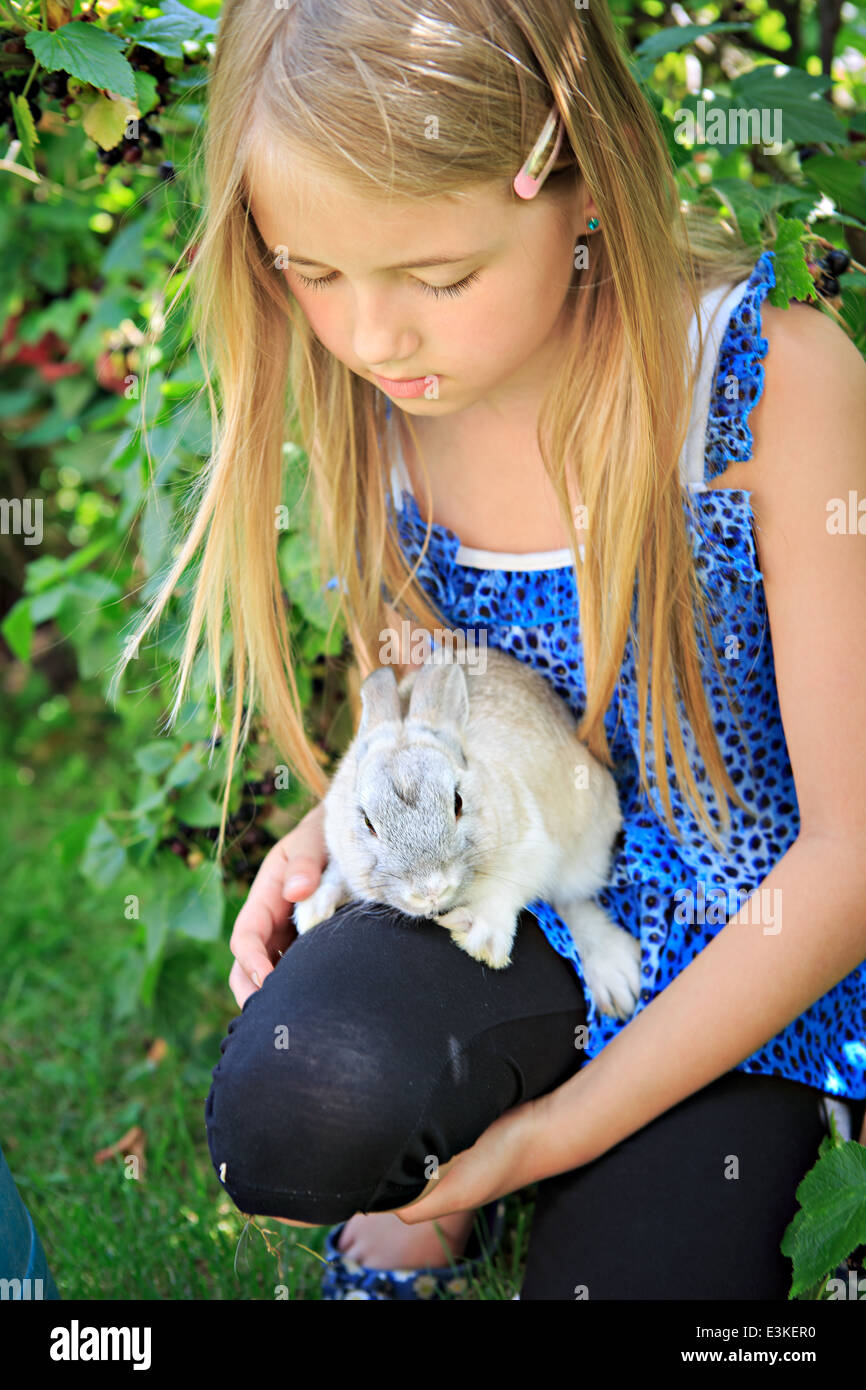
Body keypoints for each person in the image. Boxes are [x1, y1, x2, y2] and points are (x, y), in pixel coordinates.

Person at [115, 0, 866, 1298]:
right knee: (297, 1104)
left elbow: (849, 855)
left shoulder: (759, 385)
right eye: (313, 268)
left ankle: (591, 1141)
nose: (370, 336)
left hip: (761, 977)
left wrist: (556, 1133)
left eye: (438, 275)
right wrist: (323, 828)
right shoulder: (386, 400)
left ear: (578, 181)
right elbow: (428, 689)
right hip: (514, 904)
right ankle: (483, 1112)